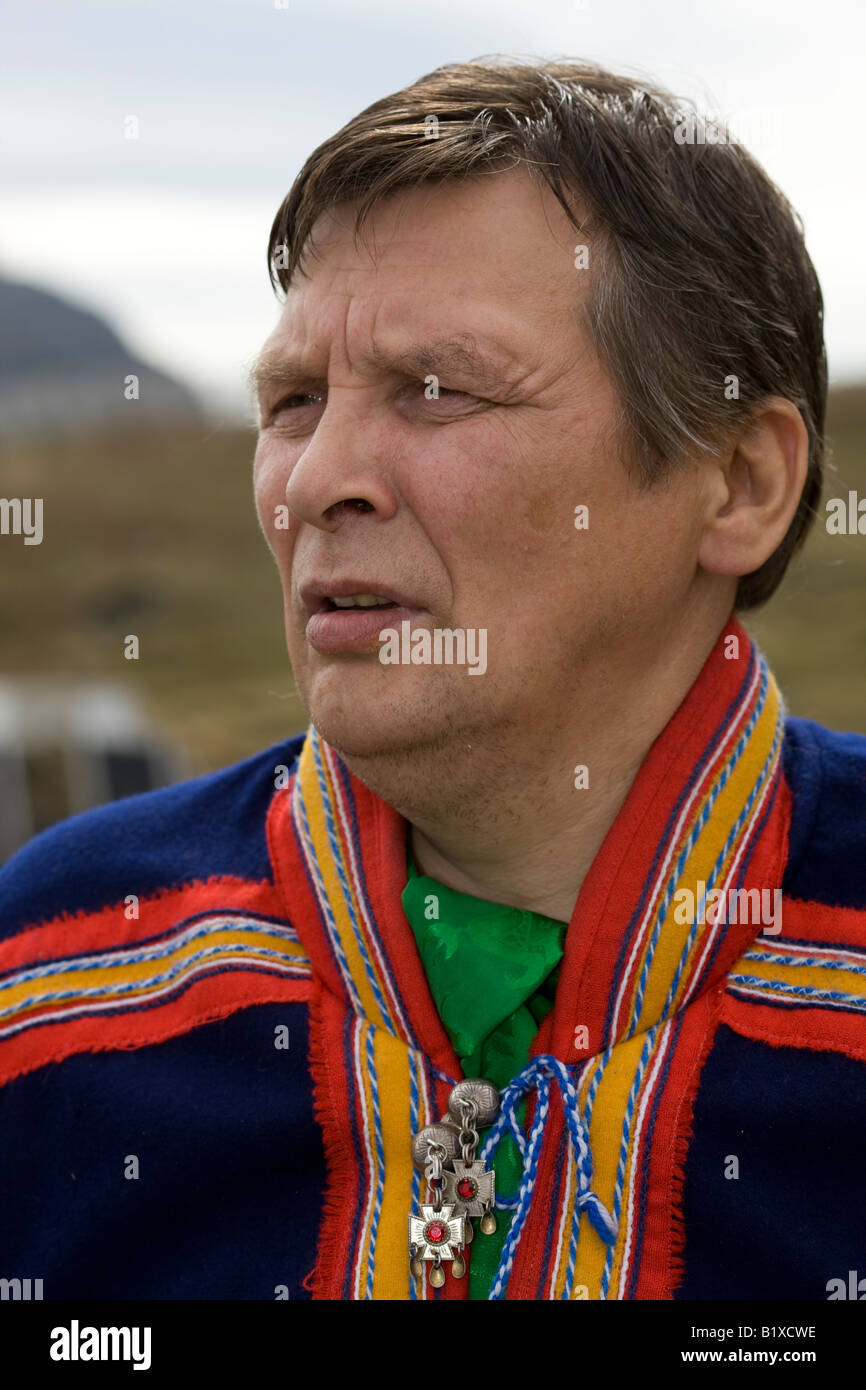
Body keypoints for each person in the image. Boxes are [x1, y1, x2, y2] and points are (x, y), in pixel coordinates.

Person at [1, 55, 864, 1303]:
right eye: (294, 400)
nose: (311, 484)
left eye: (439, 389)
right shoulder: (58, 973)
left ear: (736, 484)